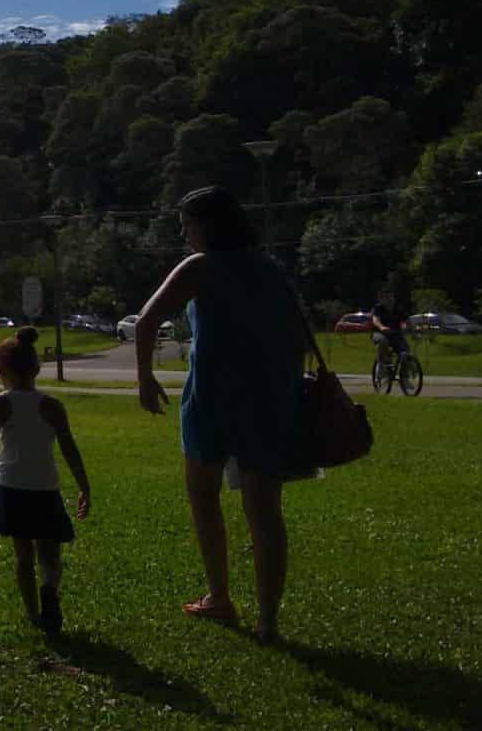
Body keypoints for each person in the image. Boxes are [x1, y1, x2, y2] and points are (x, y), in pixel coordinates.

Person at [135, 186, 313, 643]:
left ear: (207, 225)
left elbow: (147, 321)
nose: (183, 233)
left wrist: (144, 379)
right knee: (265, 511)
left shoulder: (201, 267)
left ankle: (220, 596)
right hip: (269, 399)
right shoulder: (270, 267)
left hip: (212, 399)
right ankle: (268, 622)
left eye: (187, 224)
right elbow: (298, 335)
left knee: (203, 494)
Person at [0, 329, 91, 633]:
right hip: (44, 488)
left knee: (23, 557)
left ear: (3, 370)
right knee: (50, 555)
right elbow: (70, 450)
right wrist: (84, 487)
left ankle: (33, 614)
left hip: (11, 487)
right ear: (36, 369)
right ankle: (49, 587)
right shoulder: (52, 406)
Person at [370, 301, 407, 371]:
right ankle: (381, 367)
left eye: (390, 294)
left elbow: (404, 320)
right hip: (379, 333)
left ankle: (405, 375)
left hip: (394, 334)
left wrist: (407, 327)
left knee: (405, 350)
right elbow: (375, 320)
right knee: (383, 341)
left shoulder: (397, 308)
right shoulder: (378, 308)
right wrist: (381, 327)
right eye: (386, 295)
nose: (388, 297)